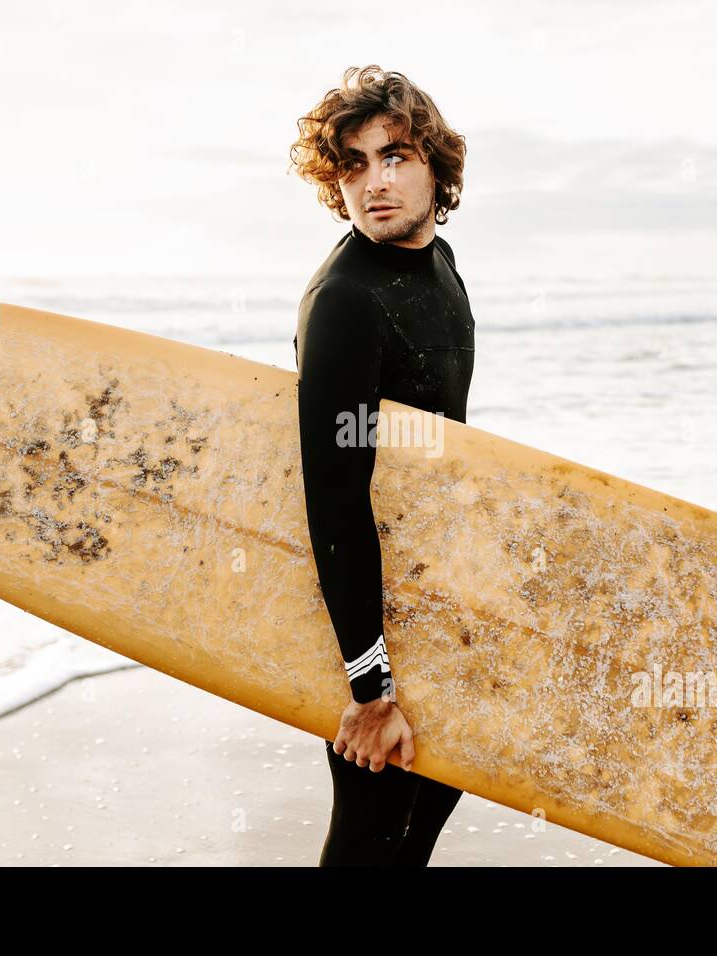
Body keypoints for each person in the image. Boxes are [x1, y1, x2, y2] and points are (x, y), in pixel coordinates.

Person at [287, 65, 475, 865]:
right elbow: (335, 501)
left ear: (436, 167)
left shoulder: (442, 266)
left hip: (436, 609)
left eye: (394, 156)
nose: (375, 183)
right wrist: (370, 690)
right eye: (354, 165)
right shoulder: (345, 303)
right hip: (370, 634)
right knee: (371, 840)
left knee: (420, 826)